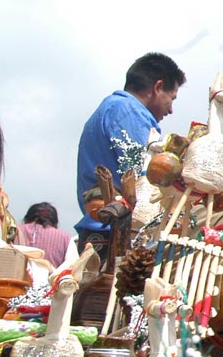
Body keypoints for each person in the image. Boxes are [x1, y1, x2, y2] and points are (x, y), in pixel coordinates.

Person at [75, 52, 185, 257]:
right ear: (158, 87)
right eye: (171, 99)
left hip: (101, 231)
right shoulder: (129, 111)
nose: (170, 110)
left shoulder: (112, 108)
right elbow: (146, 177)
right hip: (115, 236)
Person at [16, 203, 76, 268]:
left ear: (27, 218)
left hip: (13, 277)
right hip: (49, 277)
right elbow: (73, 265)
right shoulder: (66, 238)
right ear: (54, 221)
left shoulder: (15, 230)